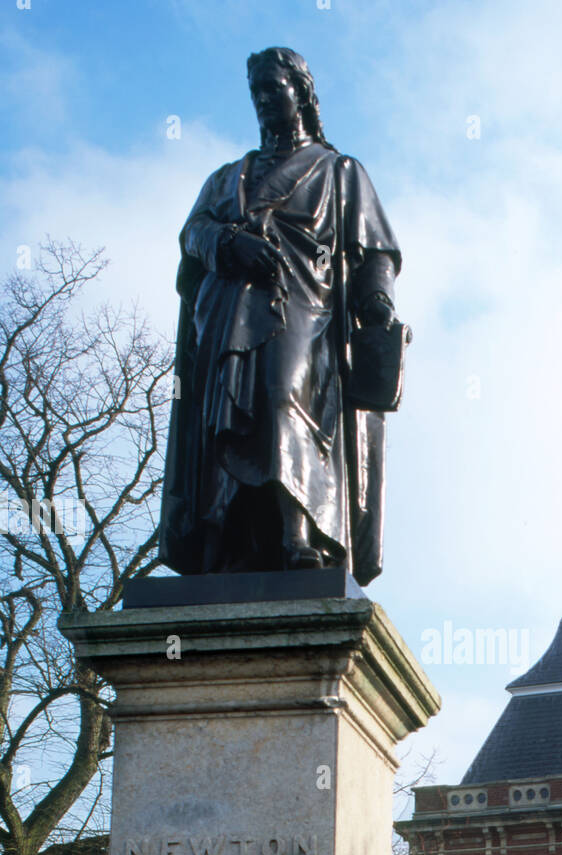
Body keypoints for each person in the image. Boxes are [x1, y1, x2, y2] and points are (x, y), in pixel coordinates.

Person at [159, 47, 401, 579]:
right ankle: (221, 535)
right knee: (222, 410)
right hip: (226, 313)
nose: (265, 100)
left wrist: (377, 303)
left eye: (275, 88)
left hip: (304, 312)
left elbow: (375, 252)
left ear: (301, 93)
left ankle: (299, 531)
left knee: (281, 395)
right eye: (257, 92)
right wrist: (227, 242)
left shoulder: (339, 172)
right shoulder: (227, 179)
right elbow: (192, 236)